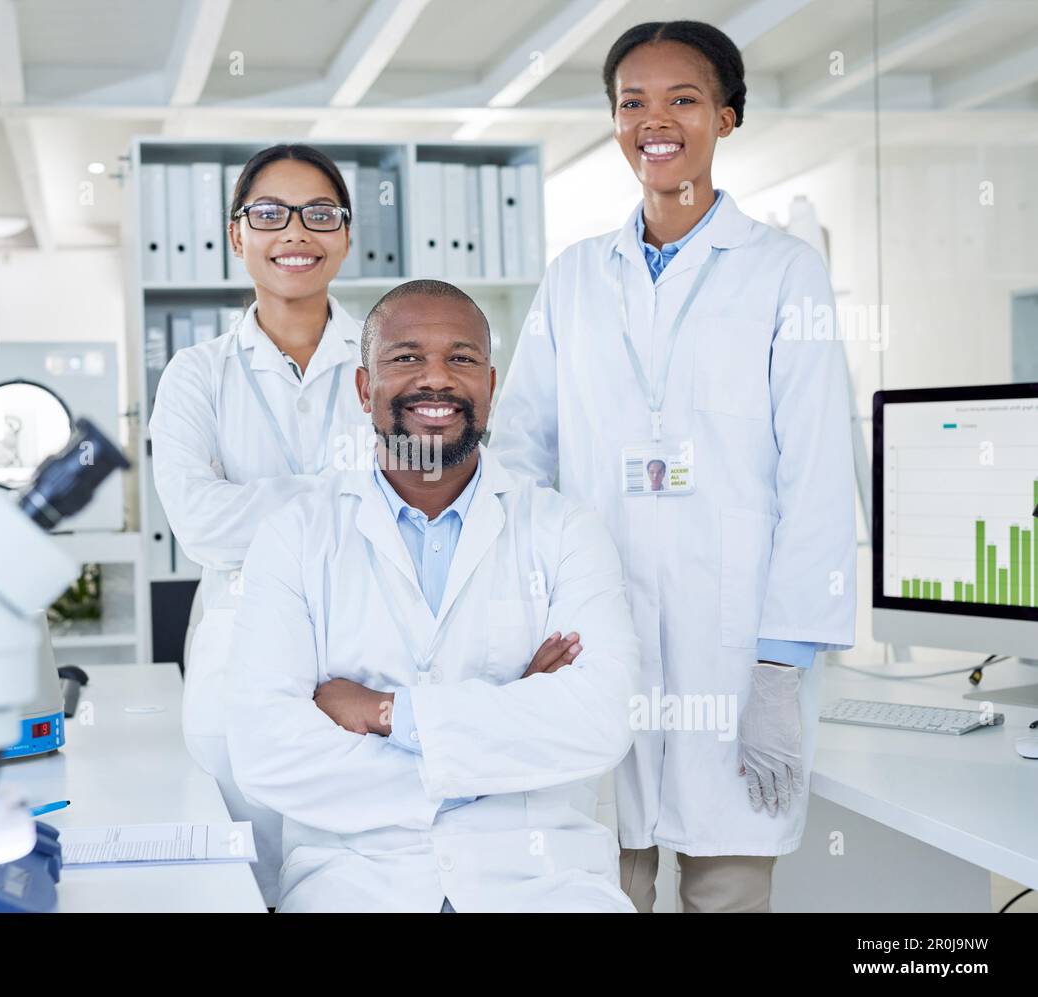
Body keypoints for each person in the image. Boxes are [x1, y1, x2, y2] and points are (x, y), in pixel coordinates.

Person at [489, 20, 856, 912]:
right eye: (631, 103)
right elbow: (519, 455)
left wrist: (779, 666)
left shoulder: (783, 273)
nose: (655, 121)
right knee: (598, 884)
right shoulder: (576, 277)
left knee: (726, 885)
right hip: (592, 640)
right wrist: (519, 611)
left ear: (727, 117)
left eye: (682, 99)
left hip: (733, 649)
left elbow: (818, 475)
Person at [224, 280, 642, 912]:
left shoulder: (564, 532)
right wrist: (508, 720)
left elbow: (599, 723)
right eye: (406, 357)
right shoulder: (296, 536)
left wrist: (389, 714)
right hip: (356, 880)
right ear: (365, 389)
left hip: (540, 880)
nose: (437, 380)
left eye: (462, 358)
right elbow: (266, 750)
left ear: (491, 388)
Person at [149, 143, 369, 905]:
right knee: (246, 888)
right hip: (236, 668)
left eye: (320, 214)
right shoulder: (196, 375)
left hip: (372, 658)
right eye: (269, 214)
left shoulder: (394, 359)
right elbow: (201, 528)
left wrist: (273, 505)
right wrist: (348, 493)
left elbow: (431, 500)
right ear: (237, 235)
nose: (295, 234)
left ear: (347, 233)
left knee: (355, 880)